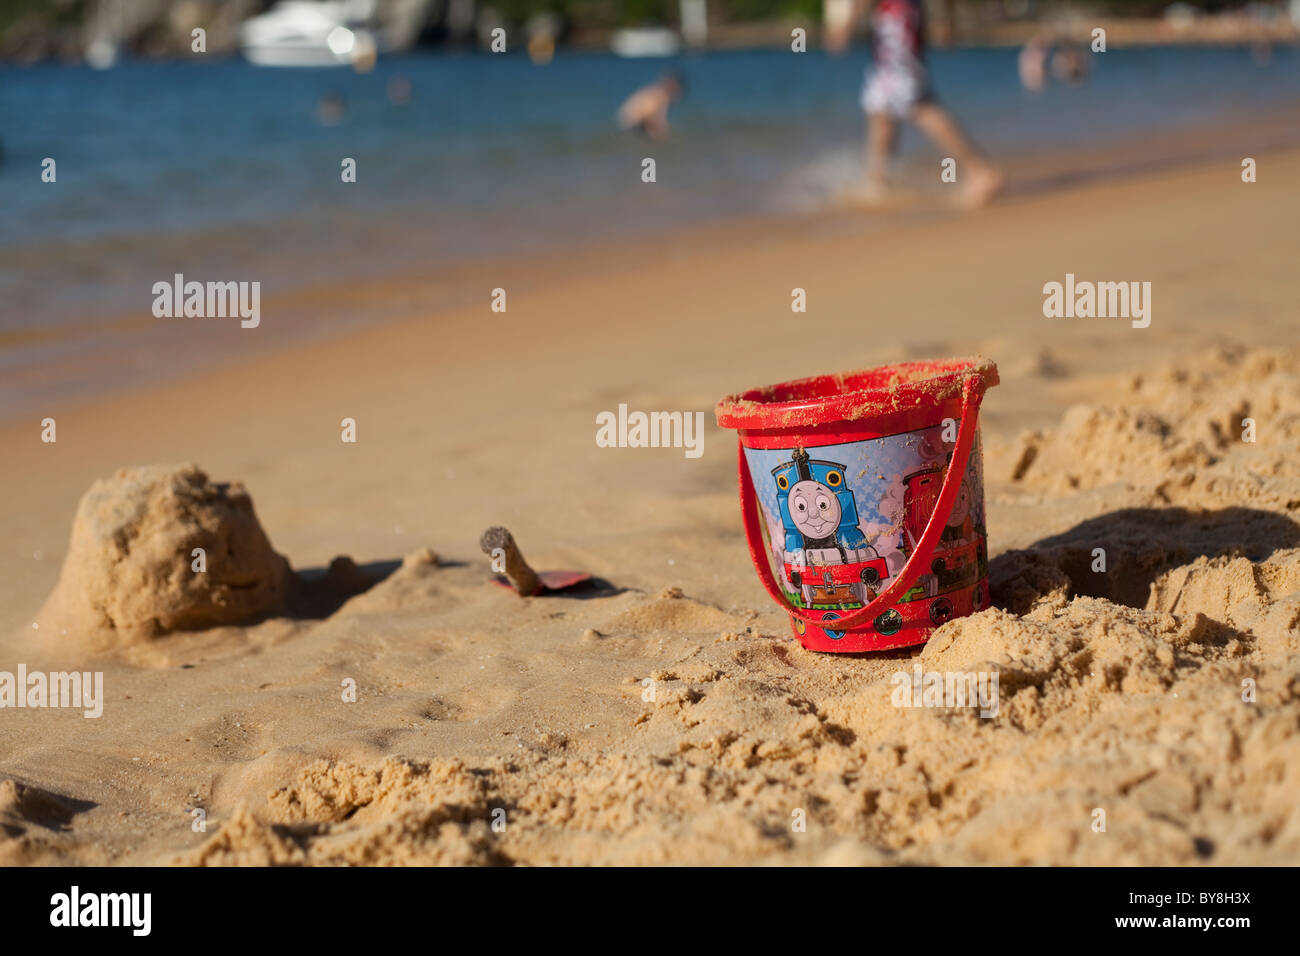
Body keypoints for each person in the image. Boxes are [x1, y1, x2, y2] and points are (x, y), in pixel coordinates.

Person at [828, 0, 1002, 207]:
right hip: (897, 15)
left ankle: (980, 170)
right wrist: (946, 18)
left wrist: (848, 23)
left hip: (897, 17)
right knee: (881, 106)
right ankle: (879, 182)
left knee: (917, 103)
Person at [617, 71, 685, 141]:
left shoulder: (653, 90)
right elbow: (649, 115)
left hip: (625, 121)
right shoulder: (661, 96)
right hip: (634, 124)